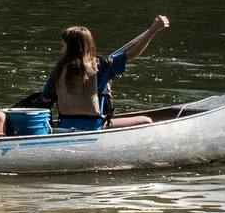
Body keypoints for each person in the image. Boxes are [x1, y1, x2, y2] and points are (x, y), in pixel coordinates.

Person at [38, 16, 171, 130]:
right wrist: (153, 30)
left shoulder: (58, 70)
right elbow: (133, 53)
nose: (61, 50)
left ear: (71, 47)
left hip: (65, 127)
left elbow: (46, 97)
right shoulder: (102, 67)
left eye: (63, 46)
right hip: (94, 127)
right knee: (146, 120)